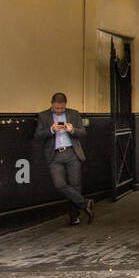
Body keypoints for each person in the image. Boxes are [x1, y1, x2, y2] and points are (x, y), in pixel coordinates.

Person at [35, 92, 94, 226]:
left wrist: (72, 130)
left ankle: (74, 217)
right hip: (54, 154)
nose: (60, 111)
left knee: (75, 185)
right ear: (52, 104)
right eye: (57, 108)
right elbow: (38, 135)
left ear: (66, 105)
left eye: (62, 108)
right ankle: (86, 203)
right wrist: (51, 130)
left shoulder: (73, 114)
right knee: (59, 184)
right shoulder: (43, 116)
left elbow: (83, 132)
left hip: (72, 153)